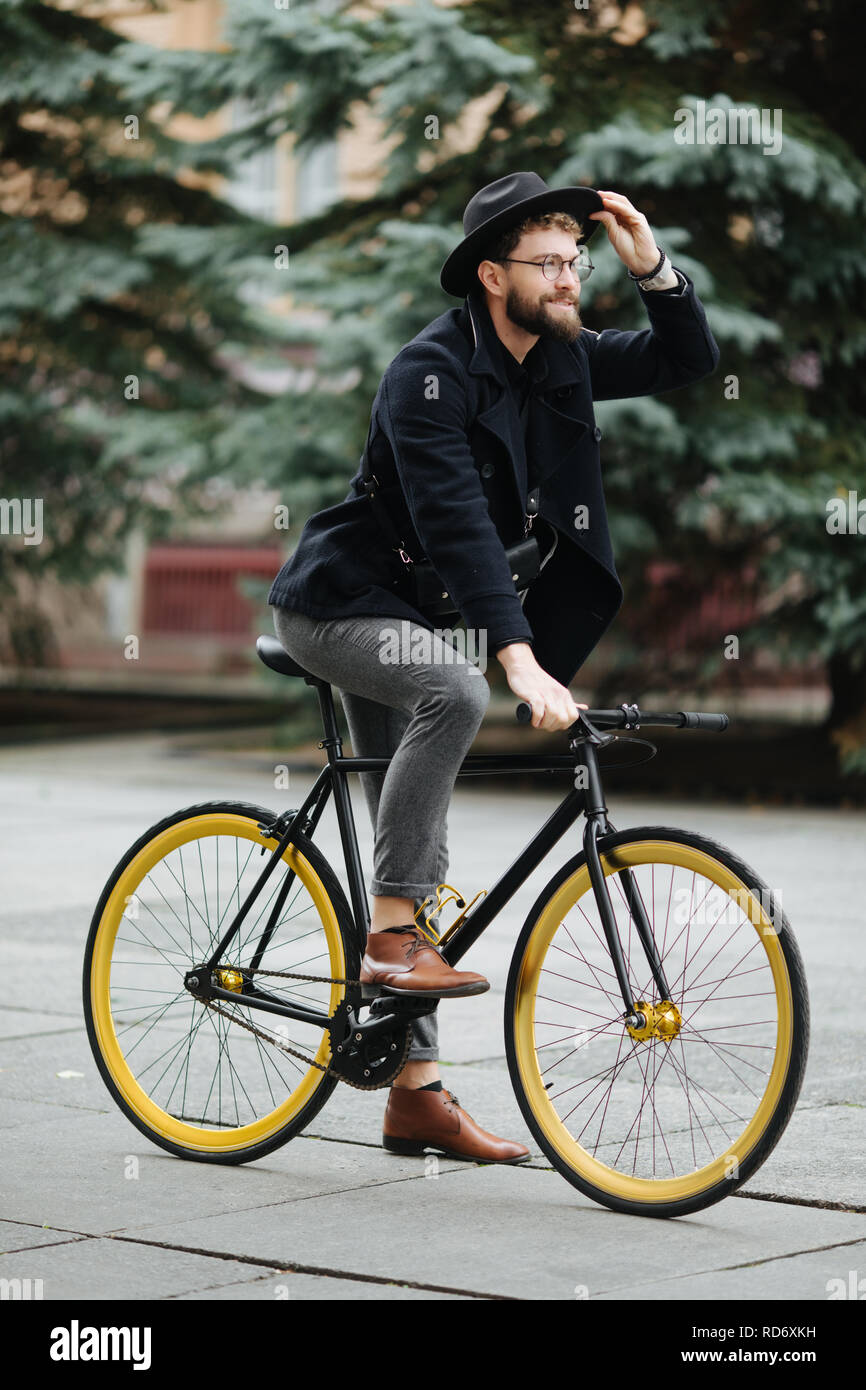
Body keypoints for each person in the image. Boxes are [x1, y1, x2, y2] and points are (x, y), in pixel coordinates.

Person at [268, 171, 720, 1163]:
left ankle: (413, 1095)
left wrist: (648, 261)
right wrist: (516, 659)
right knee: (453, 690)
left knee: (416, 839)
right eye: (548, 264)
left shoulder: (555, 361)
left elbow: (686, 358)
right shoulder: (424, 374)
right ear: (489, 275)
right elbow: (456, 526)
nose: (569, 280)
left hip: (422, 617)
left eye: (575, 261)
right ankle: (389, 944)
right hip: (339, 604)